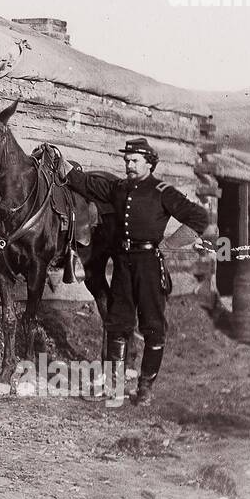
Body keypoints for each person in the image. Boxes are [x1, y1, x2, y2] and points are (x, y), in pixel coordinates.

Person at [59, 138, 210, 406]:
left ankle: (144, 389)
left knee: (153, 326)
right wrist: (60, 162)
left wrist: (170, 243)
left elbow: (198, 216)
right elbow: (85, 184)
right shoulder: (119, 188)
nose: (128, 165)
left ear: (149, 163)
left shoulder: (163, 191)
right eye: (126, 160)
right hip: (123, 266)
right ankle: (113, 387)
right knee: (117, 323)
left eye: (134, 161)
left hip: (150, 265)